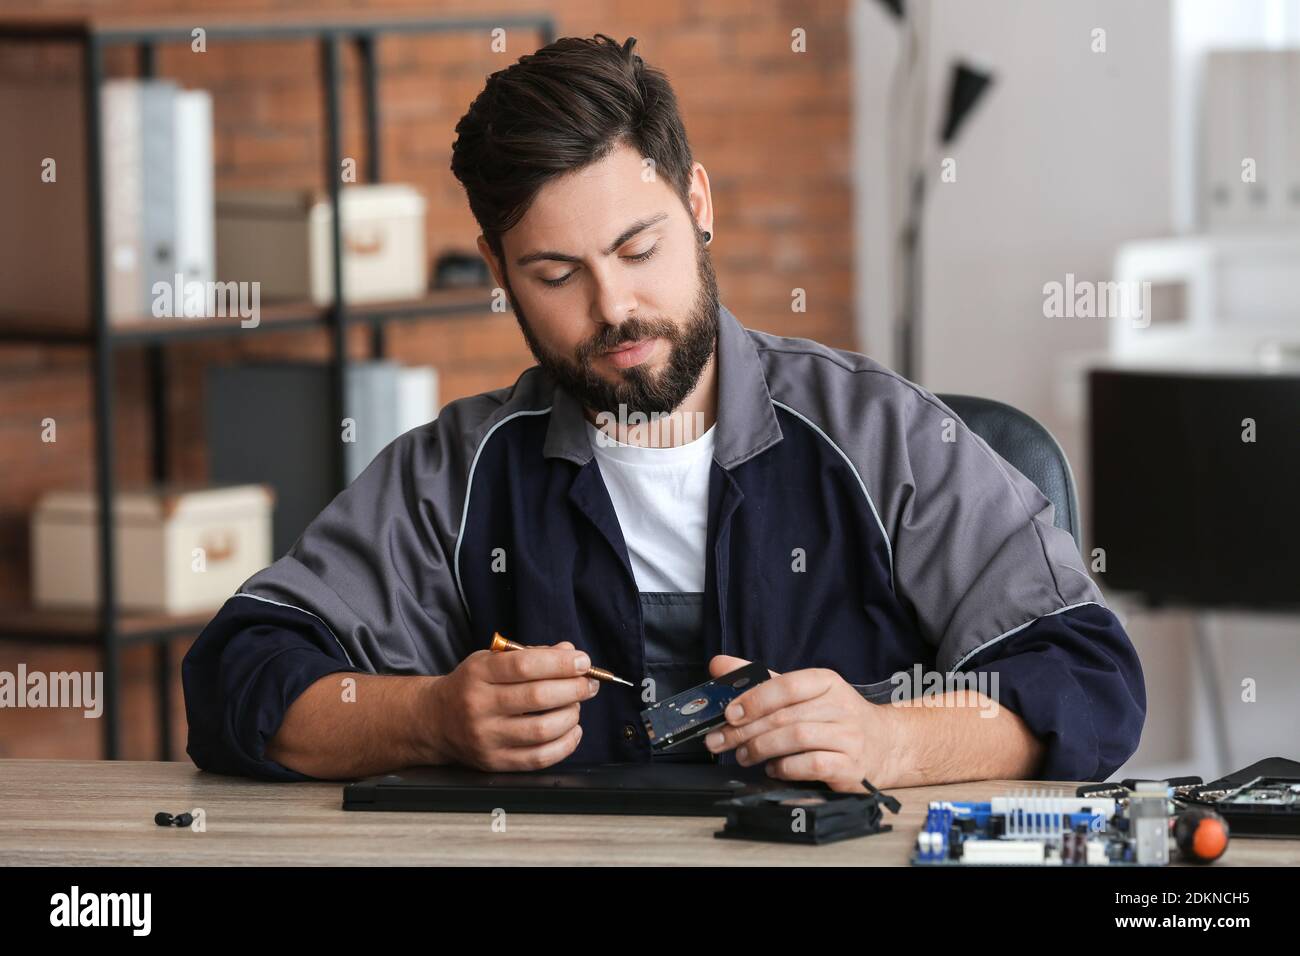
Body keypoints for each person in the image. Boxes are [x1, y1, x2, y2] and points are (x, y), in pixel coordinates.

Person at [182, 34, 1144, 791]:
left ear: (697, 202)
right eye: (555, 275)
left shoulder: (884, 439)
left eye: (639, 249)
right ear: (501, 275)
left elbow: (1086, 677)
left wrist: (890, 739)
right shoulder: (457, 474)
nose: (612, 310)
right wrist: (429, 715)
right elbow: (239, 679)